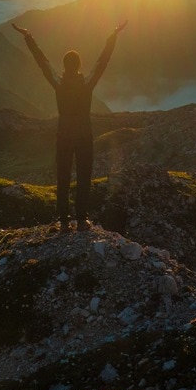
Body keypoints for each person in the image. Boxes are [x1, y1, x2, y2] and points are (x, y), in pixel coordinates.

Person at [13, 20, 127, 232]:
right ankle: (82, 220)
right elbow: (102, 63)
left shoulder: (58, 82)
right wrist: (113, 36)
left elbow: (42, 62)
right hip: (84, 134)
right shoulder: (87, 82)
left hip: (64, 134)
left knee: (63, 176)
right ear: (79, 65)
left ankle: (64, 221)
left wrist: (28, 37)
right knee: (84, 177)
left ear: (65, 66)